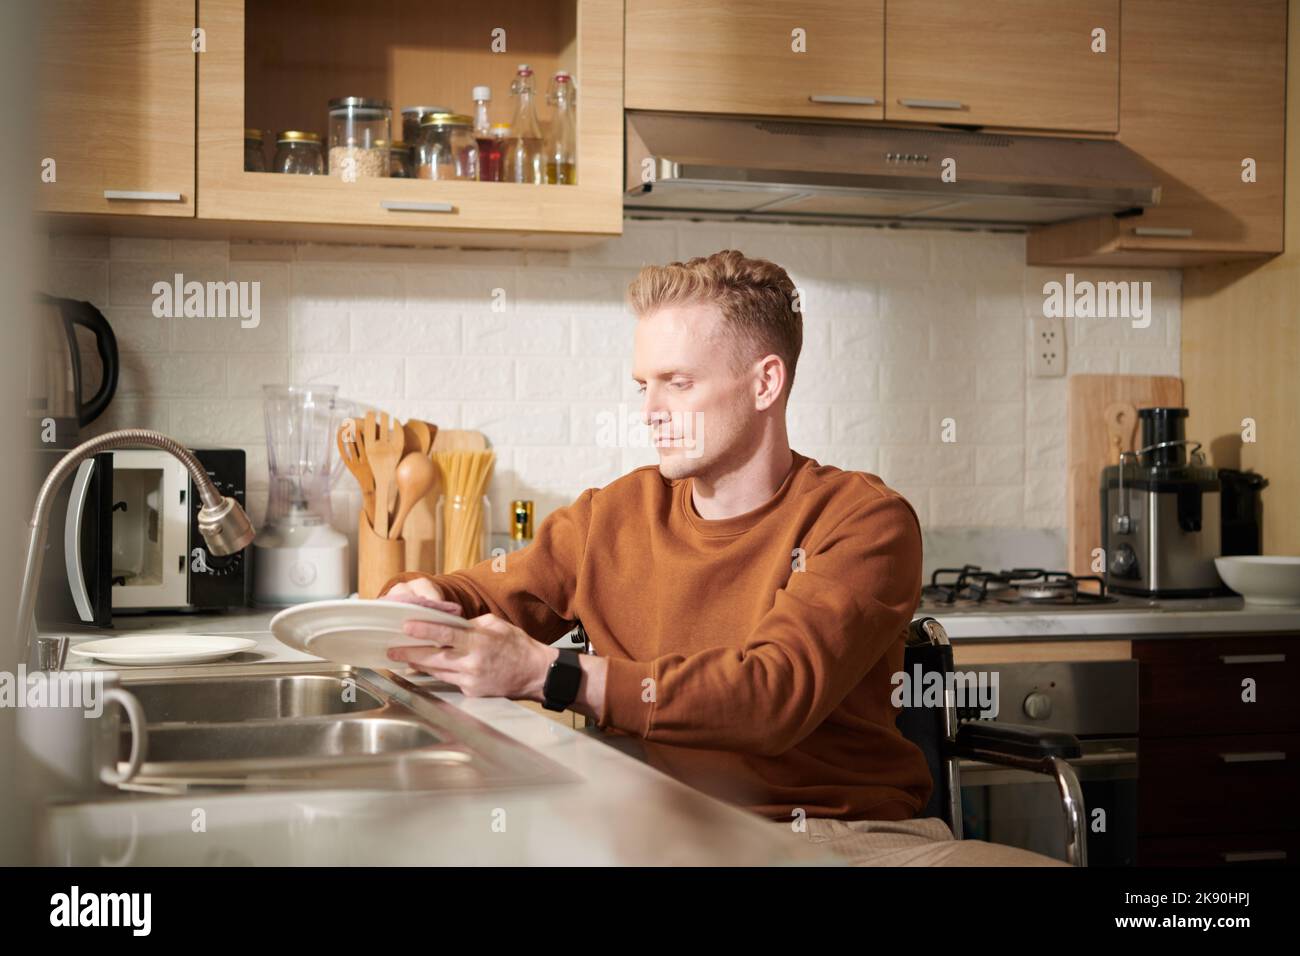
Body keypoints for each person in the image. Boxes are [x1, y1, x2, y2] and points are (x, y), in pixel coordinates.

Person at [380, 249, 1067, 867]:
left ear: (765, 384)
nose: (649, 411)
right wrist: (417, 595)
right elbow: (484, 593)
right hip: (672, 839)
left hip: (852, 841)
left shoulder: (864, 521)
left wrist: (549, 675)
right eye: (641, 385)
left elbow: (769, 696)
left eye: (676, 383)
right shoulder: (611, 517)